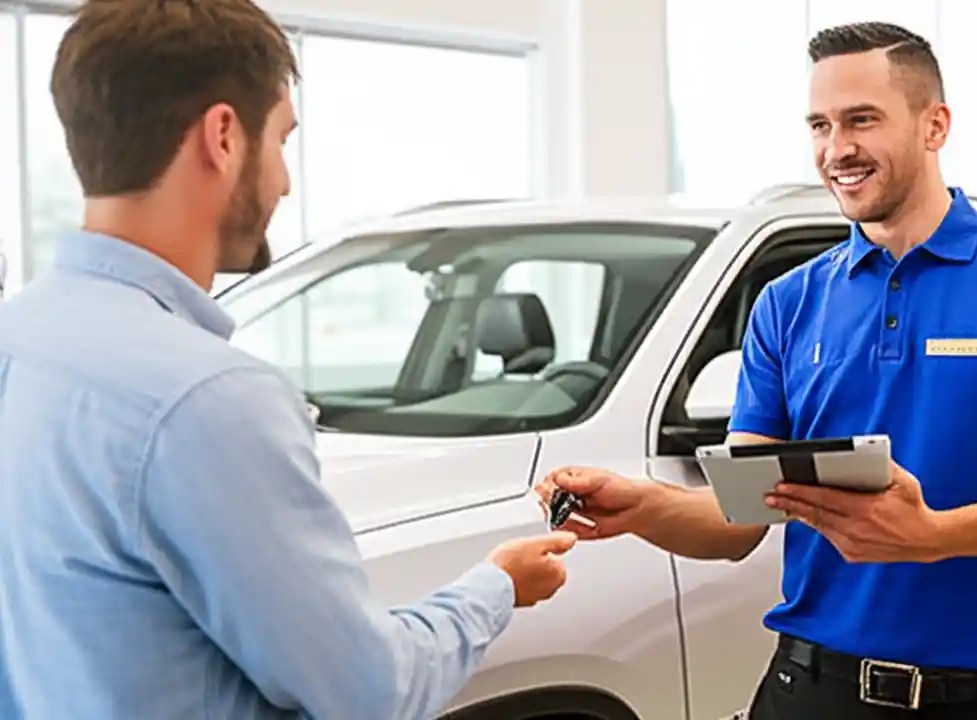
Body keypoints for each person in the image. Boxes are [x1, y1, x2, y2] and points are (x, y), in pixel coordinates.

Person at [0, 1, 575, 718]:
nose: (285, 182)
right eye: (282, 140)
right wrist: (495, 588)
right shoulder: (207, 397)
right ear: (223, 136)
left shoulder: (18, 336)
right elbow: (369, 692)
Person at [536, 21, 977, 719]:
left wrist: (936, 535)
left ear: (934, 125)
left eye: (862, 121)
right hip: (808, 688)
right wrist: (641, 506)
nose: (836, 149)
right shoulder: (788, 304)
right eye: (819, 124)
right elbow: (743, 517)